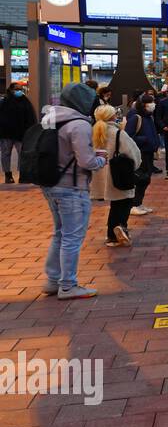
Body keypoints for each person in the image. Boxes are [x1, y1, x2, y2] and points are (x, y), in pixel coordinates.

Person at [41, 82, 107, 299]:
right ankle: (68, 285)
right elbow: (86, 161)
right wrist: (101, 159)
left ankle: (53, 280)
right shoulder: (79, 125)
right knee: (72, 236)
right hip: (72, 186)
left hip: (50, 182)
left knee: (60, 233)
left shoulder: (49, 117)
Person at [90, 105, 141, 246]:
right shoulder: (118, 133)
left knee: (115, 204)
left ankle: (112, 235)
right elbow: (134, 153)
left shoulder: (92, 132)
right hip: (120, 174)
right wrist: (135, 166)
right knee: (124, 202)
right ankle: (118, 230)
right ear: (112, 116)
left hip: (100, 175)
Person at [124, 92, 159, 216]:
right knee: (140, 179)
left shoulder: (149, 116)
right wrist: (144, 140)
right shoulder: (136, 117)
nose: (153, 104)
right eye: (150, 102)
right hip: (140, 152)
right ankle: (133, 204)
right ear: (143, 105)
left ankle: (139, 203)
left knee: (146, 179)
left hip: (149, 152)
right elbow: (128, 136)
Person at [0, 82, 36, 183]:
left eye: (20, 89)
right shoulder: (4, 102)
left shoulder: (25, 101)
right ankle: (8, 175)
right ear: (11, 90)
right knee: (6, 153)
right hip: (6, 133)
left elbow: (30, 117)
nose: (19, 91)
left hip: (21, 133)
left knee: (22, 154)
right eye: (16, 89)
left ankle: (22, 175)